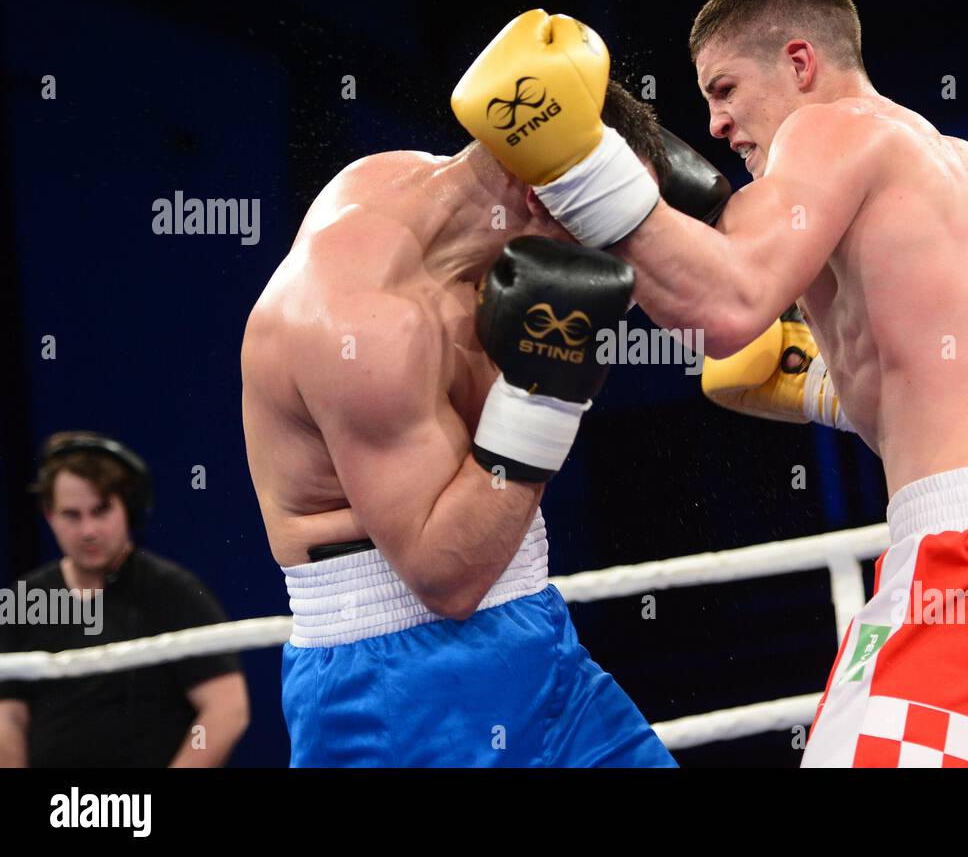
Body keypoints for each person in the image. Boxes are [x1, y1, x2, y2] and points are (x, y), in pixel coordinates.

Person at [451, 0, 968, 768]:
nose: (714, 123)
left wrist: (581, 164)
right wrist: (822, 381)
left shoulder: (828, 131)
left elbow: (732, 302)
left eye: (725, 87)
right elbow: (893, 367)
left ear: (801, 63)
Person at [242, 75, 725, 767]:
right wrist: (548, 394)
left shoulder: (408, 184)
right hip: (399, 687)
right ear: (539, 197)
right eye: (614, 233)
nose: (627, 265)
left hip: (536, 635)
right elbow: (446, 577)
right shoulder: (362, 325)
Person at [0, 432, 249, 767]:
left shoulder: (174, 591)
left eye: (101, 511)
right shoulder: (24, 600)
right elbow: (7, 715)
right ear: (49, 516)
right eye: (72, 515)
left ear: (128, 509)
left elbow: (227, 707)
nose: (88, 530)